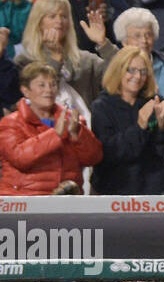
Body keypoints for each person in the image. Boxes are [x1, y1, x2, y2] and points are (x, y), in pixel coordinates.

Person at [0, 62, 103, 195]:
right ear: (25, 90)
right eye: (41, 85)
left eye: (53, 84)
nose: (48, 90)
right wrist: (55, 135)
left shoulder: (71, 120)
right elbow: (20, 159)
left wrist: (78, 134)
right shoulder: (10, 123)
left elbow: (94, 158)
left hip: (66, 200)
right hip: (25, 201)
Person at [89, 47, 164, 195]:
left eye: (143, 71)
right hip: (114, 191)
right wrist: (140, 126)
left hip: (153, 191)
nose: (137, 76)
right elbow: (110, 153)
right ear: (118, 70)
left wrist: (162, 124)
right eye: (131, 70)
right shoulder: (101, 107)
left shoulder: (155, 102)